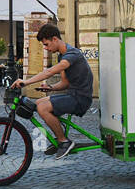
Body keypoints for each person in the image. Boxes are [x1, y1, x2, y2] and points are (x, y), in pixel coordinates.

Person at [17, 24, 92, 160]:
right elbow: (65, 83)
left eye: (46, 44)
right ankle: (58, 137)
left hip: (80, 98)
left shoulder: (71, 54)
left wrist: (25, 82)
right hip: (72, 94)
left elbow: (50, 72)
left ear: (55, 39)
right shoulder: (62, 56)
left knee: (43, 108)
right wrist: (50, 88)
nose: (46, 48)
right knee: (39, 102)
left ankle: (63, 141)